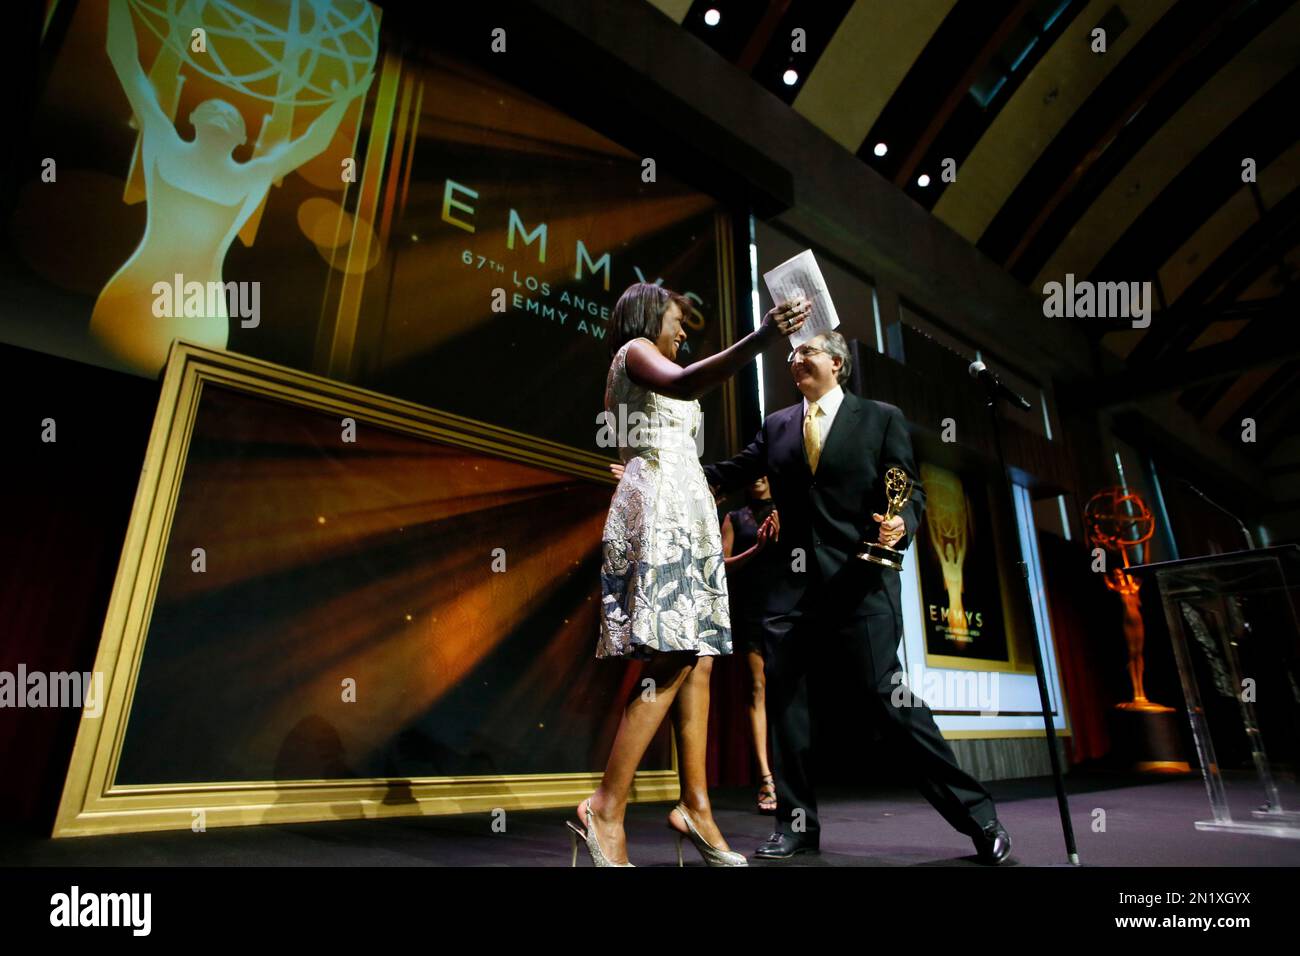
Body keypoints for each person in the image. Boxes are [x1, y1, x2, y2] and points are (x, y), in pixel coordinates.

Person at [703, 331, 1012, 864]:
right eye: (792, 354)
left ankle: (979, 817)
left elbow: (908, 489)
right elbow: (728, 472)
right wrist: (657, 475)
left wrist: (901, 523)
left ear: (837, 363)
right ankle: (797, 826)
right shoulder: (777, 425)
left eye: (808, 352)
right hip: (792, 589)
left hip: (861, 582)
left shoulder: (880, 417)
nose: (795, 359)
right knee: (789, 708)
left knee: (890, 703)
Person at [569, 283, 806, 866]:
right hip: (662, 507)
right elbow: (682, 384)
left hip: (686, 503)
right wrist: (764, 337)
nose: (682, 332)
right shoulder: (633, 354)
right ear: (649, 317)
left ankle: (697, 806)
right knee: (675, 654)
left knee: (697, 654)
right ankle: (604, 807)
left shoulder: (654, 364)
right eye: (676, 320)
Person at [720, 477, 781, 813]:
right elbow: (721, 565)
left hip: (785, 605)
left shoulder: (786, 510)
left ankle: (791, 776)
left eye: (764, 471)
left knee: (786, 690)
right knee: (758, 688)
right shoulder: (735, 517)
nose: (757, 477)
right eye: (752, 471)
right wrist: (755, 550)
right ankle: (766, 777)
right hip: (750, 609)